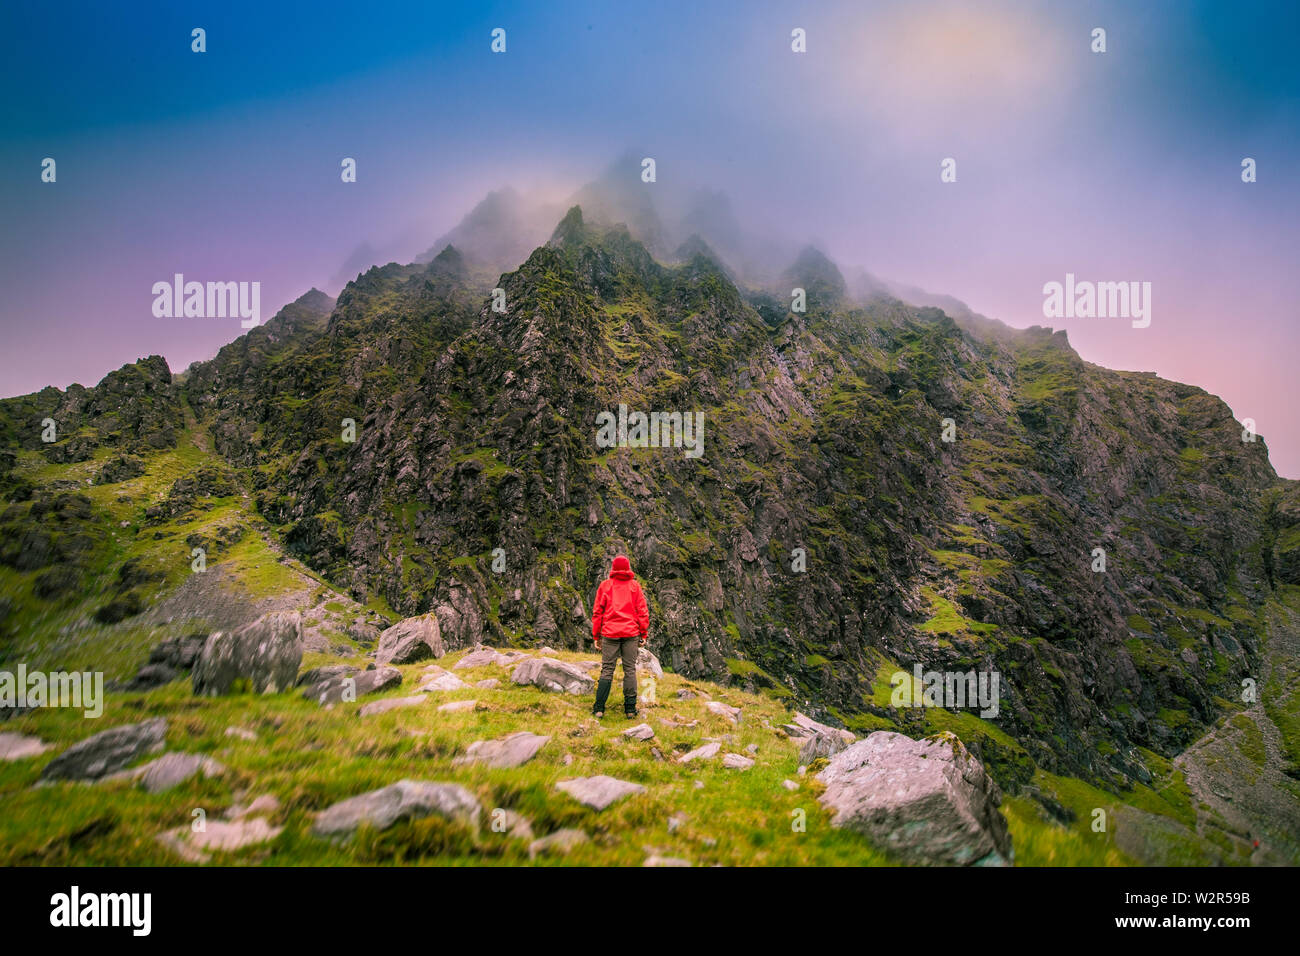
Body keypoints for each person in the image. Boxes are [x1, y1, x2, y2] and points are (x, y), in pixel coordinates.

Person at [590, 554, 649, 719]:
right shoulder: (634, 586)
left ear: (613, 568)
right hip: (631, 633)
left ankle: (599, 709)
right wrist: (643, 633)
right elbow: (642, 611)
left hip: (610, 633)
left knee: (607, 670)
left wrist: (596, 635)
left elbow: (597, 612)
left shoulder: (605, 586)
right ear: (628, 568)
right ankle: (630, 710)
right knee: (630, 670)